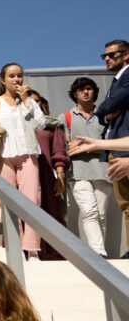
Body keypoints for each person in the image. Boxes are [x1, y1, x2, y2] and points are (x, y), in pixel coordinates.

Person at [0, 63, 46, 257]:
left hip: (28, 155)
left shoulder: (29, 103)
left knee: (32, 201)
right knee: (10, 203)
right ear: (3, 80)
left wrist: (26, 101)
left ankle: (32, 250)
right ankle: (15, 247)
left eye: (19, 75)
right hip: (4, 158)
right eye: (12, 76)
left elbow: (40, 124)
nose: (17, 79)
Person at [63, 77, 110, 256]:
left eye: (89, 88)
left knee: (101, 214)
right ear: (75, 93)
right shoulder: (65, 117)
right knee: (89, 211)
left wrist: (85, 147)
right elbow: (64, 148)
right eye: (81, 89)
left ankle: (99, 253)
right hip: (77, 173)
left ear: (94, 92)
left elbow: (112, 145)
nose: (85, 92)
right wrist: (96, 146)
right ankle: (99, 253)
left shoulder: (105, 116)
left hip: (104, 171)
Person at [27, 90, 70, 261]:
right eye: (29, 101)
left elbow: (58, 151)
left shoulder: (52, 125)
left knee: (51, 213)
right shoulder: (16, 125)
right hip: (23, 174)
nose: (33, 104)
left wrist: (60, 174)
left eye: (37, 101)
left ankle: (54, 252)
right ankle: (30, 251)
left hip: (46, 176)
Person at [96, 39, 129, 253]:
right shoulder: (117, 80)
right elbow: (105, 113)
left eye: (111, 55)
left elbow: (107, 106)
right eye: (104, 56)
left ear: (126, 55)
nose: (106, 59)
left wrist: (103, 111)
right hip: (116, 148)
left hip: (125, 146)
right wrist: (107, 116)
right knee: (126, 204)